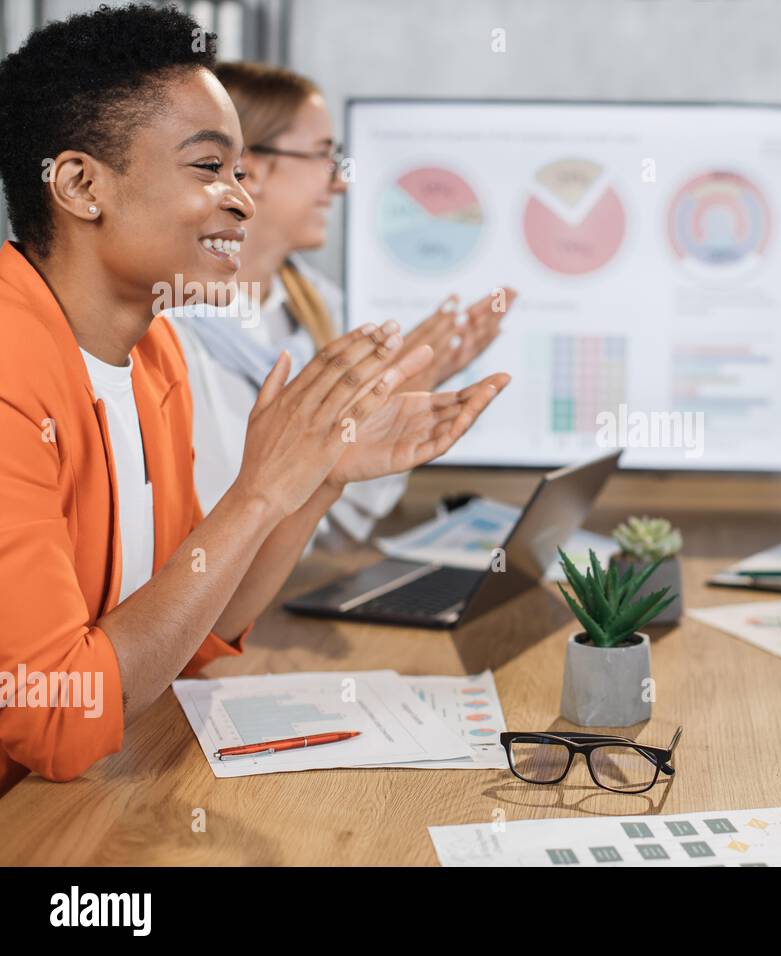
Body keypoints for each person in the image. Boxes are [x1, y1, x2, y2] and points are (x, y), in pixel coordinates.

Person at [0, 4, 508, 796]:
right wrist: (262, 488)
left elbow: (190, 634)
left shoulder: (155, 352)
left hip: (99, 786)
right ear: (78, 184)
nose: (240, 198)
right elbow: (61, 717)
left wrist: (320, 476)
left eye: (241, 170)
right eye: (208, 168)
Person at [170, 60, 517, 544]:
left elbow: (331, 530)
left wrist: (401, 392)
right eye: (322, 157)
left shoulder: (323, 309)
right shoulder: (168, 327)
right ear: (251, 168)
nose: (340, 183)